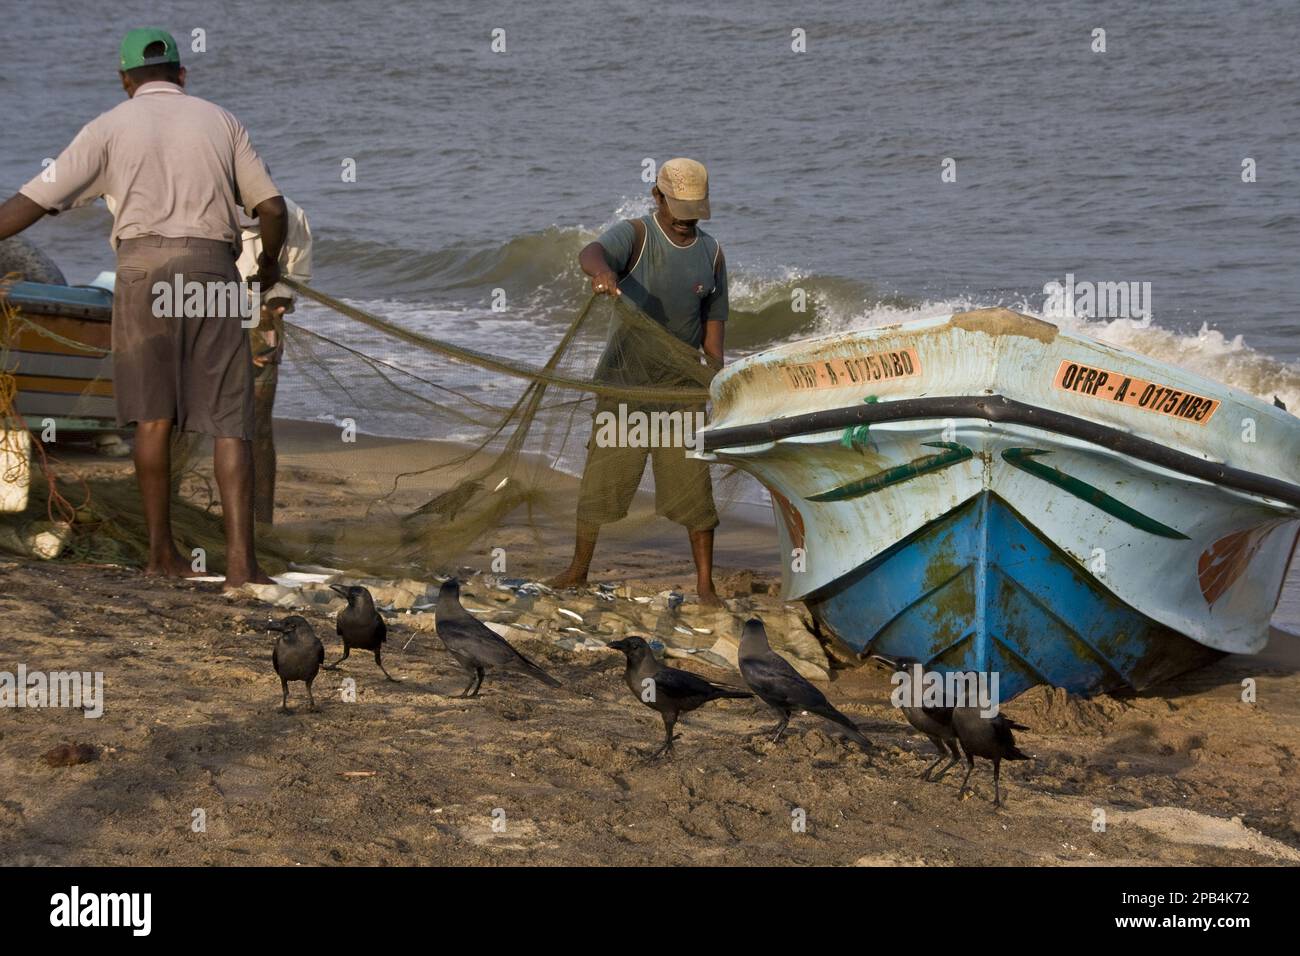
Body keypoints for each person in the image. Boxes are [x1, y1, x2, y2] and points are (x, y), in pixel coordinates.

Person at [0, 28, 286, 588]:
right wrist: (269, 266)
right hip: (211, 270)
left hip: (143, 271)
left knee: (153, 417)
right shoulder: (221, 121)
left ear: (126, 80)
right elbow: (271, 208)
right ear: (182, 75)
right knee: (231, 423)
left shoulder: (107, 127)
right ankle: (240, 567)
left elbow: (30, 202)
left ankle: (161, 557)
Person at [549, 157, 727, 605]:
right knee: (601, 483)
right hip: (624, 387)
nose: (687, 222)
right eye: (679, 210)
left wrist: (718, 380)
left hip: (681, 394)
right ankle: (577, 570)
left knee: (694, 490)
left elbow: (714, 332)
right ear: (657, 198)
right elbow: (590, 252)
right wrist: (603, 273)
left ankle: (705, 587)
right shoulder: (636, 235)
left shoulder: (713, 254)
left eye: (694, 213)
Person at [235, 196, 313, 524]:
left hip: (260, 319)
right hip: (207, 311)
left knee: (255, 427)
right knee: (193, 422)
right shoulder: (205, 201)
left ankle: (260, 523)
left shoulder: (292, 214)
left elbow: (293, 278)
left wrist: (276, 304)